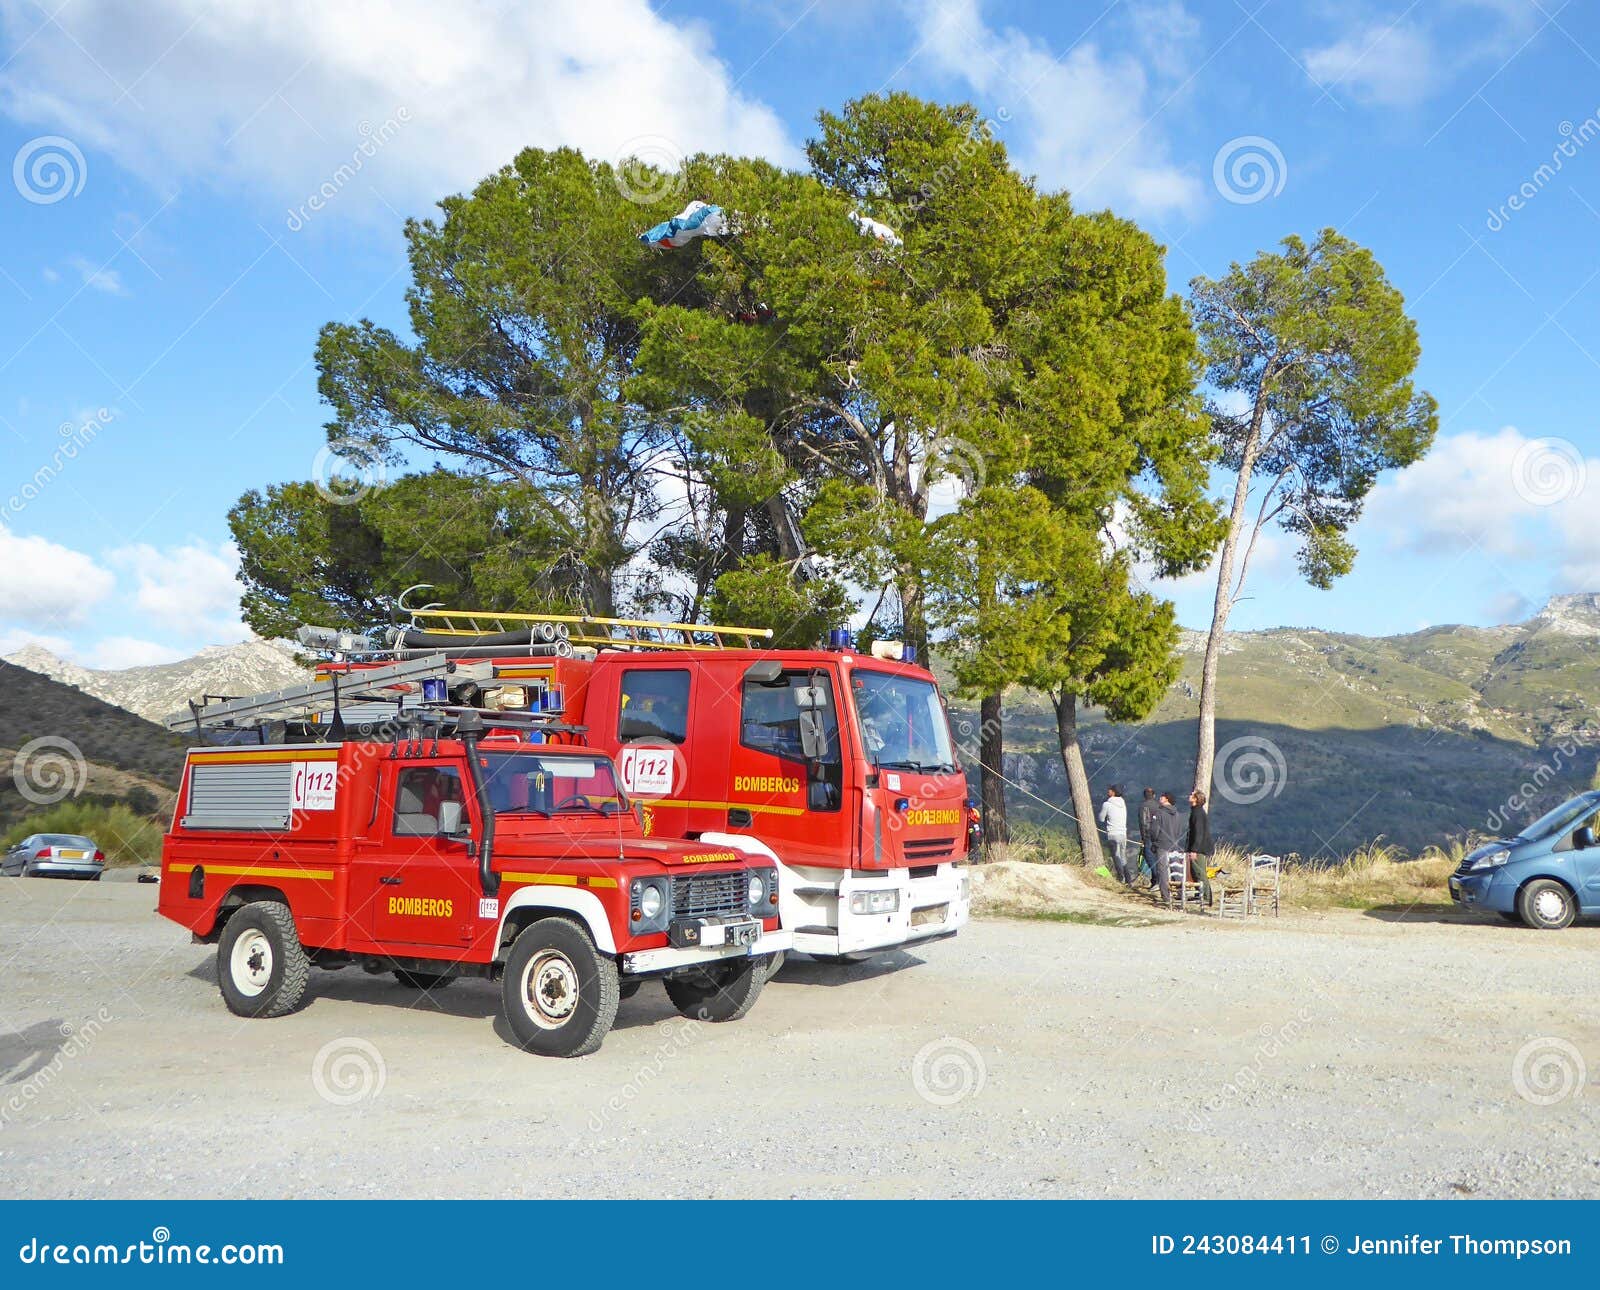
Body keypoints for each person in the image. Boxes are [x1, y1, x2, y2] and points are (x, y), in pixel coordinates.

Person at [1152, 791, 1183, 902]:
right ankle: (1181, 893)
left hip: (1162, 844)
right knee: (1176, 870)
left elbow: (1154, 830)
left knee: (1163, 871)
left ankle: (1166, 896)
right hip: (1175, 844)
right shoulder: (1177, 814)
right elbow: (1180, 830)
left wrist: (1154, 842)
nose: (1160, 798)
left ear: (1166, 799)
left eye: (1162, 797)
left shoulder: (1159, 813)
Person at [1187, 788, 1214, 908]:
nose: (1190, 795)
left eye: (1192, 795)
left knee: (1199, 872)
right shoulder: (1197, 811)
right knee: (1196, 871)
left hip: (1199, 848)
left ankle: (1206, 897)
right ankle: (1200, 894)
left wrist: (1194, 849)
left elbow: (1198, 833)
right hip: (1200, 847)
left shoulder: (1197, 813)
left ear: (1196, 799)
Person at [1098, 784, 1131, 883]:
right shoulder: (1123, 803)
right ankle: (1129, 880)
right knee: (1123, 856)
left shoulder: (1107, 804)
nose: (1108, 791)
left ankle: (1121, 878)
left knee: (1116, 856)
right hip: (1123, 833)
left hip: (1113, 833)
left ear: (1113, 792)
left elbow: (1101, 818)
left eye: (1110, 790)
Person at [1137, 787, 1158, 887]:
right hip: (1159, 835)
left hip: (1148, 835)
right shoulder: (1159, 805)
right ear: (1154, 795)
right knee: (1157, 856)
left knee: (1148, 855)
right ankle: (1155, 880)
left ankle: (1156, 877)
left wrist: (1143, 837)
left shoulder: (1143, 806)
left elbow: (1143, 822)